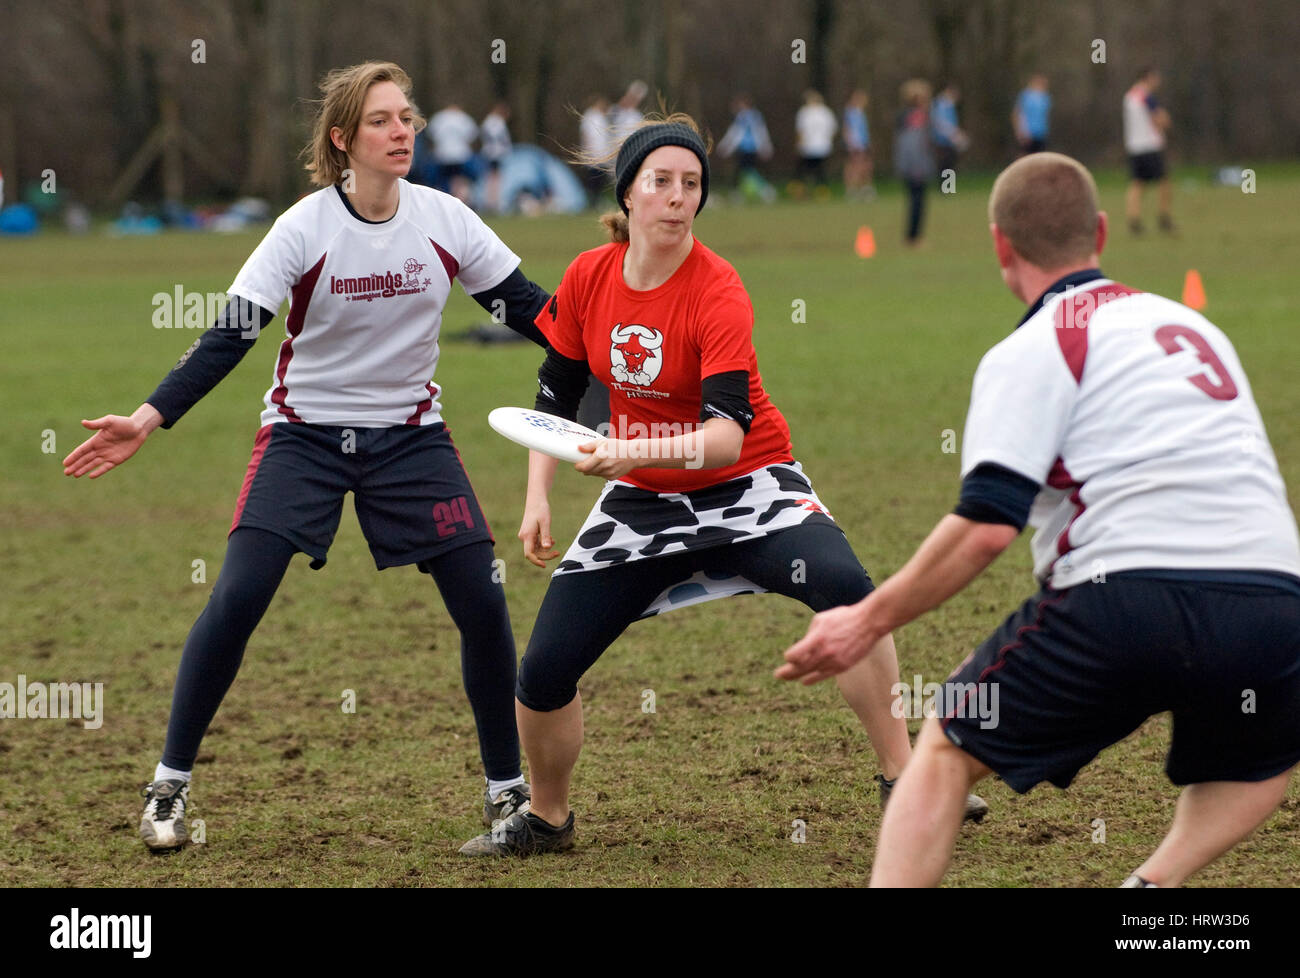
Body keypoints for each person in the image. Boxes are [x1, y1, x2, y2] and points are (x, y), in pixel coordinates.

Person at [459, 115, 988, 857]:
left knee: (847, 590)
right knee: (543, 669)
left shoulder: (718, 288)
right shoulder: (587, 277)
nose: (679, 198)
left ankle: (903, 776)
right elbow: (552, 398)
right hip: (641, 499)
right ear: (631, 193)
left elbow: (724, 438)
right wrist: (538, 495)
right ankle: (548, 820)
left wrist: (625, 445)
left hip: (747, 484)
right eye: (662, 182)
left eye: (692, 184)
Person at [62, 62, 553, 852]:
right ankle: (169, 788)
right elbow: (230, 335)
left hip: (411, 438)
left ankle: (506, 794)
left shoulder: (445, 218)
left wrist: (623, 352)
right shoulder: (301, 228)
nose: (403, 132)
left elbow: (531, 309)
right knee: (240, 595)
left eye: (407, 118)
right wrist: (149, 418)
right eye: (383, 121)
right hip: (304, 437)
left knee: (481, 597)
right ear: (342, 139)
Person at [779, 152, 1300, 888]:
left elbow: (988, 525)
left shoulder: (1034, 345)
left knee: (948, 744)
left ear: (1000, 245)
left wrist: (864, 620)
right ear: (1101, 230)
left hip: (1125, 600)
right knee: (1258, 762)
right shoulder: (1197, 328)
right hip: (1274, 604)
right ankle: (1152, 889)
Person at [1123, 67, 1174, 235]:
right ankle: (1164, 217)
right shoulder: (1146, 97)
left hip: (1134, 146)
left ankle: (1134, 220)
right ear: (1148, 78)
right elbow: (1160, 119)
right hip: (1149, 146)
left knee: (1137, 183)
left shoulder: (1129, 96)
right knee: (1164, 181)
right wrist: (1165, 121)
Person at [894, 79, 935, 246]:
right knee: (916, 202)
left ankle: (914, 235)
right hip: (914, 167)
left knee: (918, 201)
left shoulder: (911, 117)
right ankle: (912, 237)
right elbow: (910, 145)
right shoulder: (914, 118)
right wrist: (915, 166)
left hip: (916, 165)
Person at [716, 94, 774, 201]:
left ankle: (764, 191)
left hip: (749, 149)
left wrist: (724, 147)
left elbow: (735, 134)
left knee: (746, 171)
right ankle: (751, 192)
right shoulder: (751, 116)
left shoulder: (747, 117)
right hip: (745, 149)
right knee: (746, 171)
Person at [427, 100, 478, 201]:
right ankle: (460, 200)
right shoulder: (463, 118)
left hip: (443, 154)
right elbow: (472, 135)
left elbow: (432, 135)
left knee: (442, 181)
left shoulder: (439, 117)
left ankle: (442, 201)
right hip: (460, 155)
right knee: (459, 180)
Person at [794, 90, 837, 193]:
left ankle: (805, 191)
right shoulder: (826, 112)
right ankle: (820, 191)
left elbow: (800, 130)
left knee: (807, 169)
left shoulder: (804, 112)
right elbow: (833, 129)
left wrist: (799, 143)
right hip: (822, 146)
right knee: (819, 170)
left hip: (809, 146)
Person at [578, 94, 614, 204]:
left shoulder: (602, 117)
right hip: (593, 152)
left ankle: (597, 199)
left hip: (602, 152)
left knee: (600, 177)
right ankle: (591, 199)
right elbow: (586, 134)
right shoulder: (590, 116)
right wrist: (588, 150)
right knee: (593, 177)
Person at [479, 100, 513, 214]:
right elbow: (501, 138)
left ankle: (491, 202)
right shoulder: (497, 122)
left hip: (488, 153)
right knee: (495, 179)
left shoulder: (487, 121)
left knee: (490, 178)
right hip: (496, 154)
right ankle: (493, 203)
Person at [930, 82, 968, 181]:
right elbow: (941, 123)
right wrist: (955, 135)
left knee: (949, 164)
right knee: (945, 164)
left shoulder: (949, 106)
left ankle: (948, 187)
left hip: (949, 140)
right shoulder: (942, 105)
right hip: (943, 141)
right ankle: (946, 188)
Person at [841, 89, 874, 200]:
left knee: (866, 165)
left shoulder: (860, 112)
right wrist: (851, 143)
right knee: (855, 166)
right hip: (856, 144)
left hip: (863, 143)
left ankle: (863, 188)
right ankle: (853, 190)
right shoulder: (851, 113)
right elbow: (847, 129)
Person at [1012, 73, 1051, 154]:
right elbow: (1017, 114)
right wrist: (1021, 131)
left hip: (1041, 132)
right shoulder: (1025, 96)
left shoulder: (1046, 98)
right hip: (1028, 132)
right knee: (1025, 156)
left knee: (1040, 156)